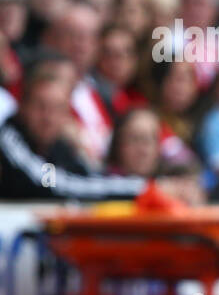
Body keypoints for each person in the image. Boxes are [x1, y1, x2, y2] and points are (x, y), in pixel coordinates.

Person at [0, 57, 150, 201]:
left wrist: (82, 152)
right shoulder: (8, 139)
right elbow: (54, 185)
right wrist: (145, 188)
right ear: (22, 107)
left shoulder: (59, 146)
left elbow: (89, 179)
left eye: (57, 108)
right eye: (40, 107)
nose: (48, 118)